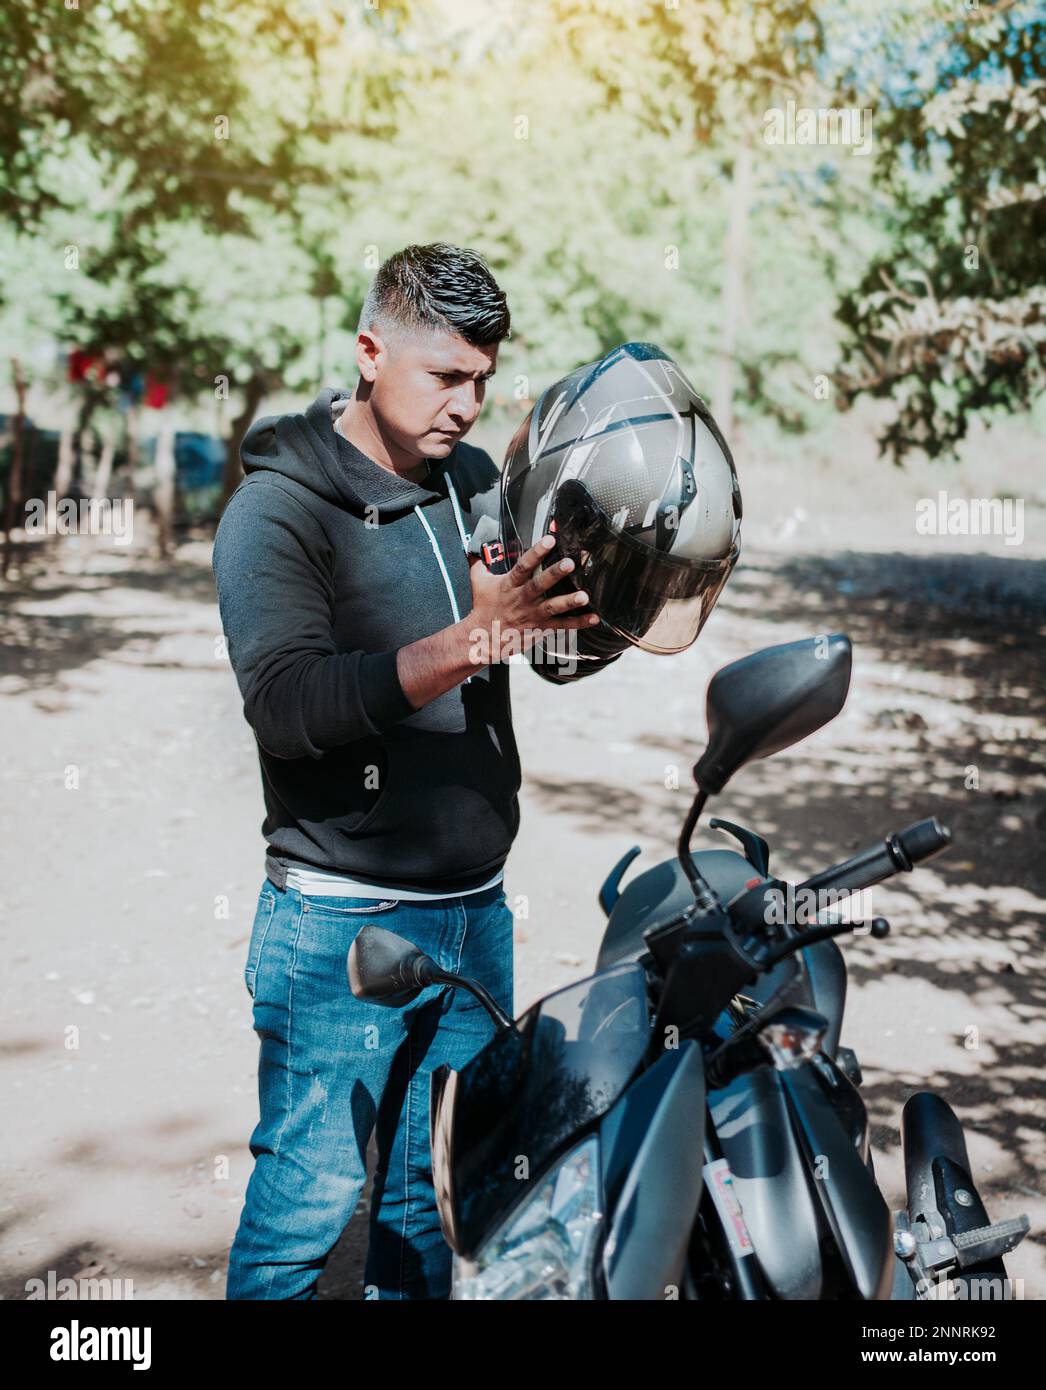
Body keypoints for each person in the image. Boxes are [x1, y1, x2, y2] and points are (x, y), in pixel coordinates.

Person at [212, 243, 606, 1301]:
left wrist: (592, 606)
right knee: (303, 1214)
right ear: (369, 350)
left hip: (473, 915)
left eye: (483, 379)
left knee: (435, 1207)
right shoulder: (276, 510)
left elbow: (530, 644)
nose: (468, 405)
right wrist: (476, 639)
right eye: (444, 376)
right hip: (341, 926)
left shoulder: (476, 482)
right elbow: (287, 705)